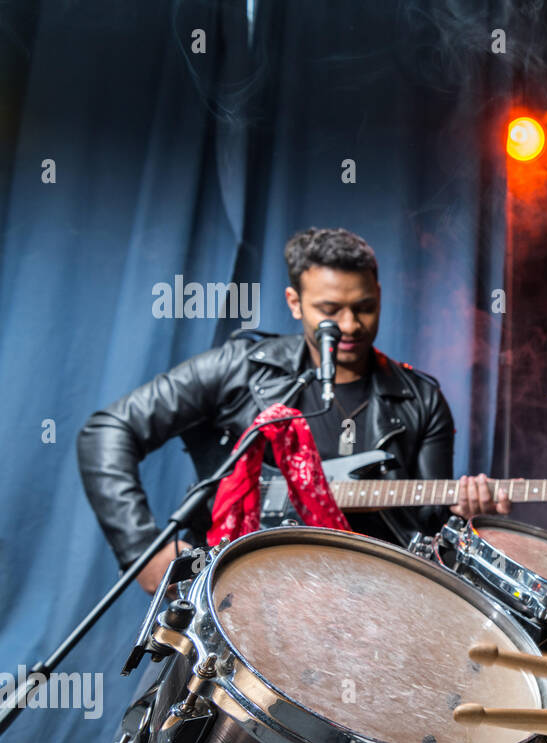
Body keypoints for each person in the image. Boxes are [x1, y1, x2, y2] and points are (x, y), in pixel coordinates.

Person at [77, 227, 510, 594]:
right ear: (294, 302)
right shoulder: (239, 369)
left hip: (370, 608)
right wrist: (142, 549)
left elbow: (428, 535)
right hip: (238, 597)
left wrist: (465, 517)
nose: (350, 325)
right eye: (329, 310)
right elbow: (107, 431)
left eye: (364, 307)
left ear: (379, 295)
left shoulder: (421, 399)